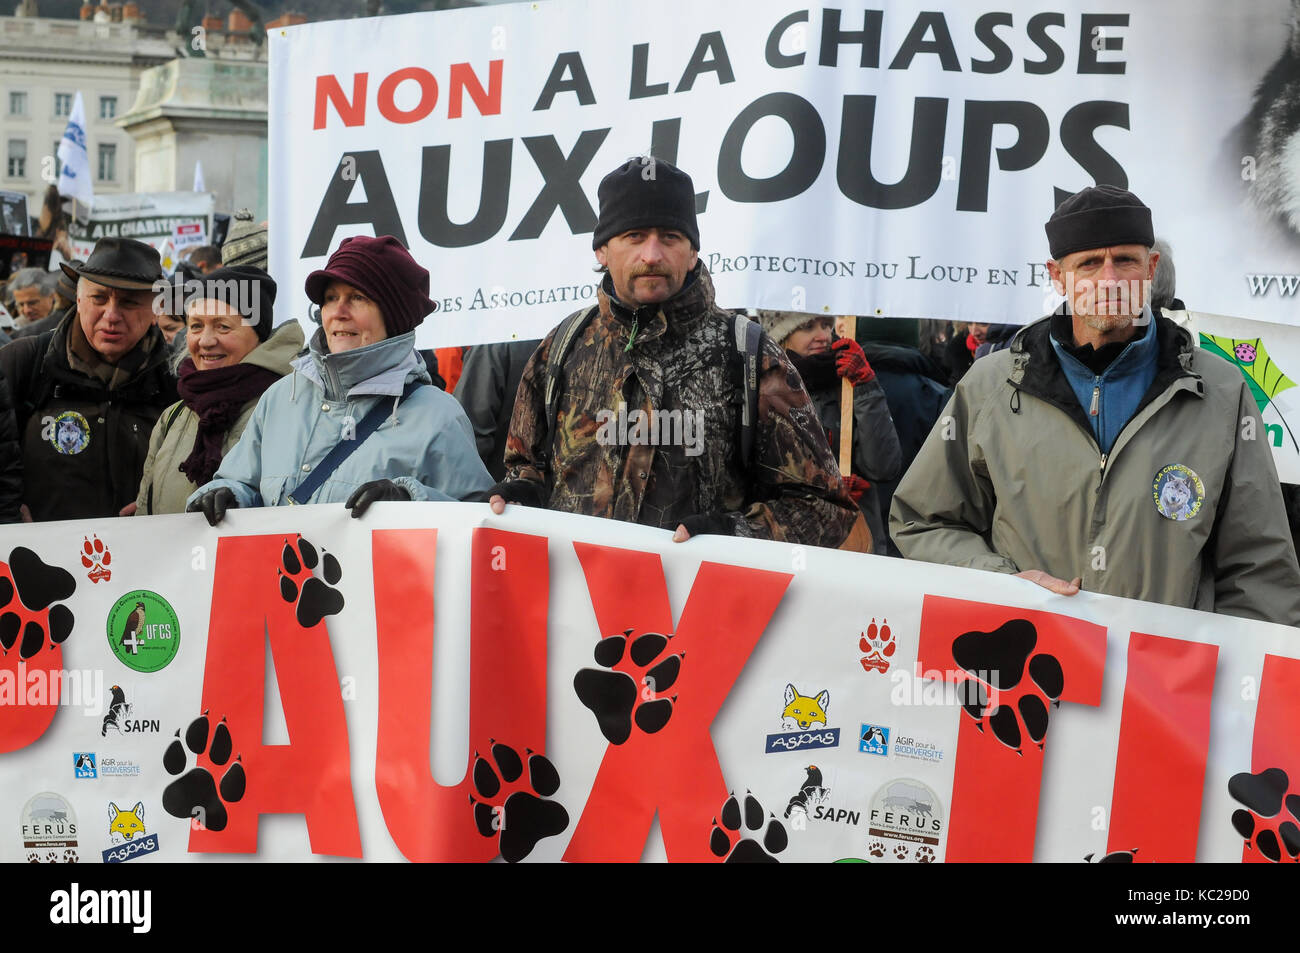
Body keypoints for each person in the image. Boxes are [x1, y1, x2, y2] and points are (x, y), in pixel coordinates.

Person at [890, 184, 1300, 624]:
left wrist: (1236, 677)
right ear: (1056, 275)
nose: (1109, 279)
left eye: (1125, 259)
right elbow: (923, 520)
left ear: (1151, 267)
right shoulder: (993, 386)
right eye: (1088, 264)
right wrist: (1001, 583)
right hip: (1030, 663)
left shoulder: (1220, 390)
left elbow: (1259, 567)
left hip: (1167, 679)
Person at [489, 157, 866, 550]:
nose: (652, 254)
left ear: (691, 253)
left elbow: (823, 509)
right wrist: (523, 494)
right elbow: (526, 467)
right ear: (602, 250)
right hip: (575, 603)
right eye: (634, 236)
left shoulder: (748, 355)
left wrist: (732, 533)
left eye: (669, 237)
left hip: (697, 605)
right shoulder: (564, 347)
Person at [185, 235, 491, 523]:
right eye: (331, 298)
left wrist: (412, 501)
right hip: (279, 579)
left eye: (357, 297)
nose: (338, 312)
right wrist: (227, 496)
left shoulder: (439, 415)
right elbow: (242, 482)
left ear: (393, 315)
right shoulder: (281, 396)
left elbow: (475, 521)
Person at [0, 238, 177, 522]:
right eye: (99, 298)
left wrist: (168, 506)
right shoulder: (23, 362)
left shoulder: (178, 379)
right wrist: (7, 515)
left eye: (129, 302)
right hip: (35, 561)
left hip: (146, 560)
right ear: (79, 300)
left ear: (157, 310)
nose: (112, 315)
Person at [134, 266, 304, 515]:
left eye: (223, 326)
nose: (205, 340)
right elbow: (144, 512)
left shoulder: (288, 408)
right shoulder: (173, 417)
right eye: (195, 326)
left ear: (258, 335)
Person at [758, 312, 900, 554]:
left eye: (826, 325)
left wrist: (867, 389)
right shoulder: (761, 389)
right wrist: (827, 489)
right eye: (808, 327)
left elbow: (884, 465)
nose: (822, 336)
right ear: (783, 336)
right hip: (788, 545)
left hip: (856, 544)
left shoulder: (850, 379)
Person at [454, 338, 542, 482]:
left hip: (497, 491)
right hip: (531, 489)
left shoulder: (495, 344)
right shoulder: (576, 336)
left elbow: (467, 434)